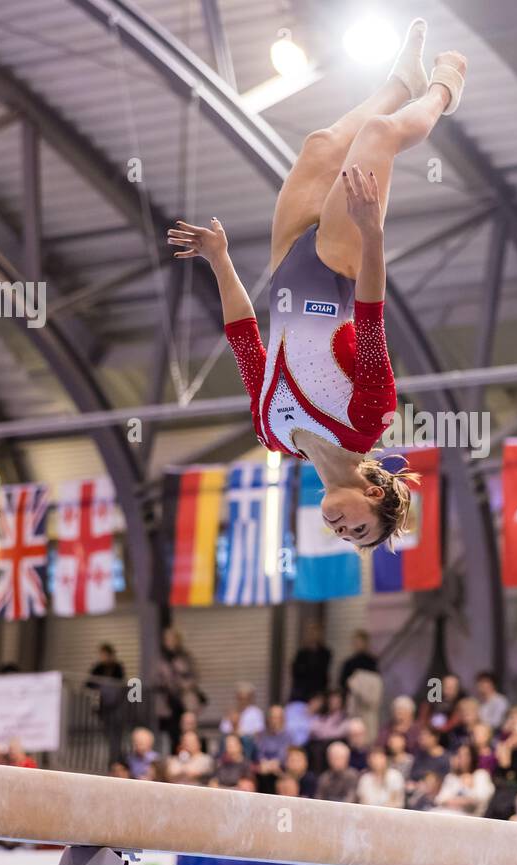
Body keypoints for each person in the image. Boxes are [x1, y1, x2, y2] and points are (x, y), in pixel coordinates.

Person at [168, 20, 466, 552]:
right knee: (378, 135)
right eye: (358, 528)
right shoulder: (367, 418)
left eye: (346, 537)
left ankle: (402, 80)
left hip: (286, 263)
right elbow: (371, 317)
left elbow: (243, 338)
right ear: (374, 490)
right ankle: (445, 89)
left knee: (320, 143)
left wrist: (219, 259)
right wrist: (372, 232)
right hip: (338, 266)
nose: (341, 530)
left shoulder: (273, 435)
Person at [289, 621, 332, 704]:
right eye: (312, 632)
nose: (314, 635)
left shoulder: (325, 653)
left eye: (317, 632)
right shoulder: (301, 653)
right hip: (302, 692)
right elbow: (296, 671)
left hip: (318, 690)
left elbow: (322, 671)